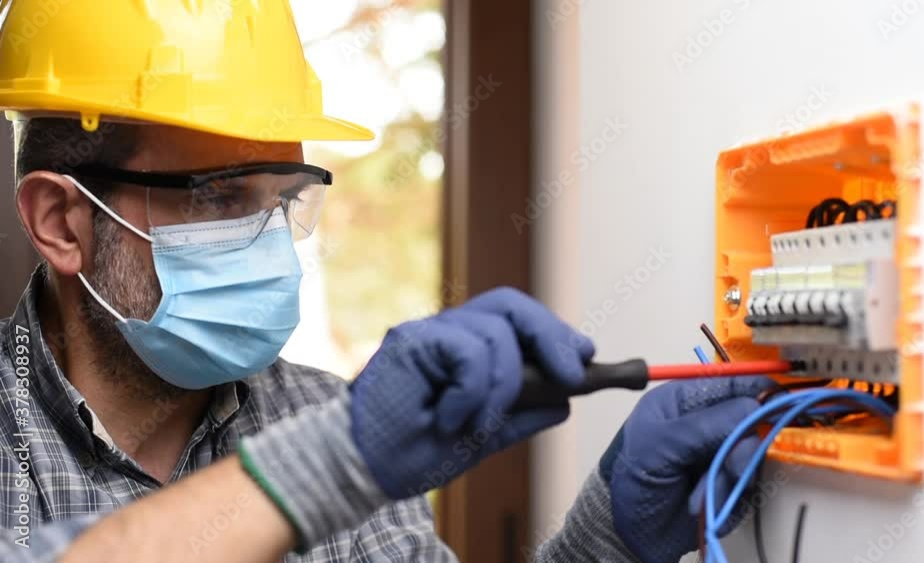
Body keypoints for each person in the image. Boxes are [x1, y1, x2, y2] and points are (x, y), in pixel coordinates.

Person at [0, 1, 767, 562]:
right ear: (63, 221)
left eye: (284, 198)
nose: (273, 246)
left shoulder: (314, 410)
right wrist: (337, 460)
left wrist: (607, 542)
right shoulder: (343, 439)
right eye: (221, 195)